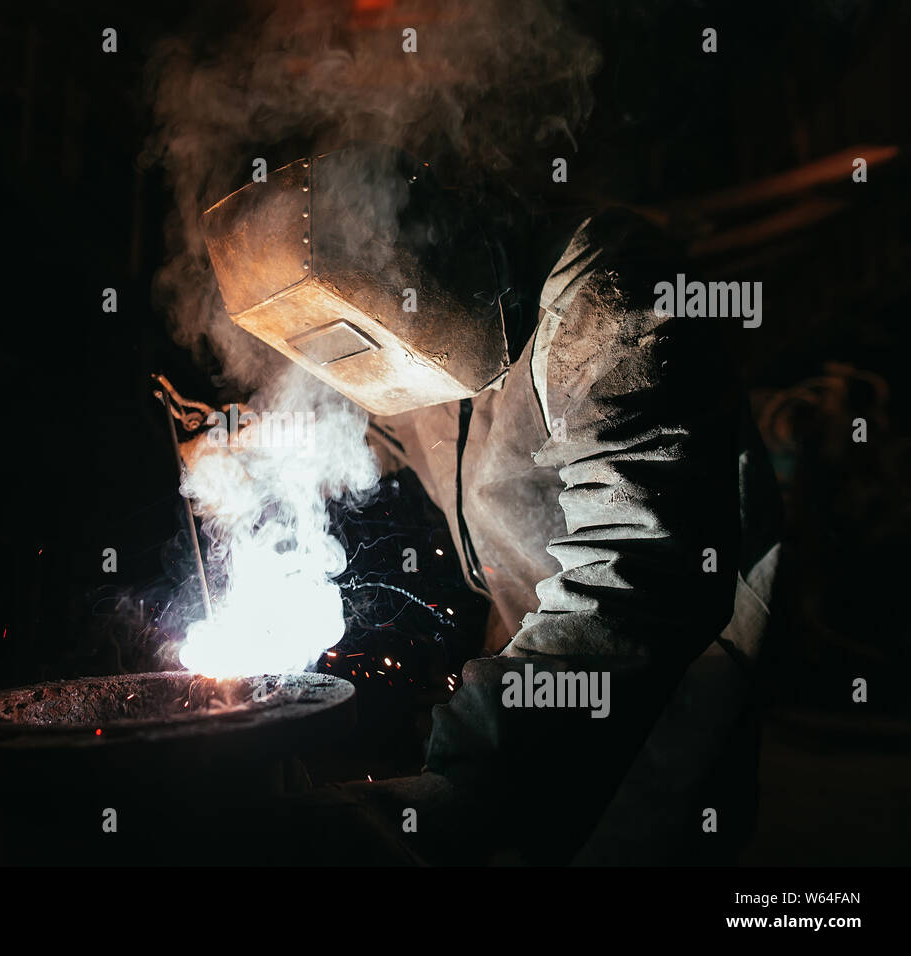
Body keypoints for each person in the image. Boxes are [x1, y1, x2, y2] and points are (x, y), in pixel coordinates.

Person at [181, 149, 783, 865]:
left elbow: (641, 567)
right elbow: (389, 427)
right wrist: (261, 447)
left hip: (659, 677)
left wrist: (460, 785)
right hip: (532, 634)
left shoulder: (610, 293)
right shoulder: (418, 319)